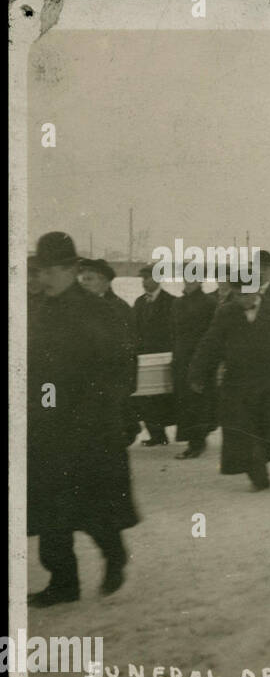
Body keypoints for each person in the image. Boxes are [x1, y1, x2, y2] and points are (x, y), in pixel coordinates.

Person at [28, 232, 138, 605]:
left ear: (71, 270)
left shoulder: (96, 311)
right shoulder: (42, 309)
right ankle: (64, 582)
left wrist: (91, 413)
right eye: (40, 271)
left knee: (92, 507)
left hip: (88, 428)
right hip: (48, 426)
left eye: (50, 272)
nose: (42, 279)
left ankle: (114, 555)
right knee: (49, 511)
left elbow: (114, 368)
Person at [188, 277, 270, 490]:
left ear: (257, 291)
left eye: (247, 294)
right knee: (241, 433)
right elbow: (210, 343)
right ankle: (258, 478)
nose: (242, 300)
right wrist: (197, 373)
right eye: (237, 294)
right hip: (237, 383)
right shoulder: (226, 312)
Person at [78, 258, 140, 446]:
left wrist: (124, 385)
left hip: (111, 384)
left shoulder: (118, 309)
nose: (83, 283)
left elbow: (128, 351)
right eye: (82, 279)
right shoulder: (79, 307)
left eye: (89, 279)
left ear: (105, 281)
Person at [170, 273, 219, 458]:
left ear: (201, 280)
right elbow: (173, 332)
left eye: (193, 278)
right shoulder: (177, 304)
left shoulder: (209, 303)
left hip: (201, 360)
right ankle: (196, 439)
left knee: (199, 402)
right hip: (181, 360)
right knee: (186, 402)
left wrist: (208, 362)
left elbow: (213, 335)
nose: (189, 282)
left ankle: (196, 443)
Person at [132, 265, 176, 446]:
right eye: (143, 279)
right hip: (143, 357)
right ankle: (155, 434)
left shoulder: (171, 302)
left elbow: (173, 330)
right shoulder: (139, 302)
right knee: (145, 397)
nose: (145, 282)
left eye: (148, 278)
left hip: (162, 356)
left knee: (160, 398)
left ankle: (161, 434)